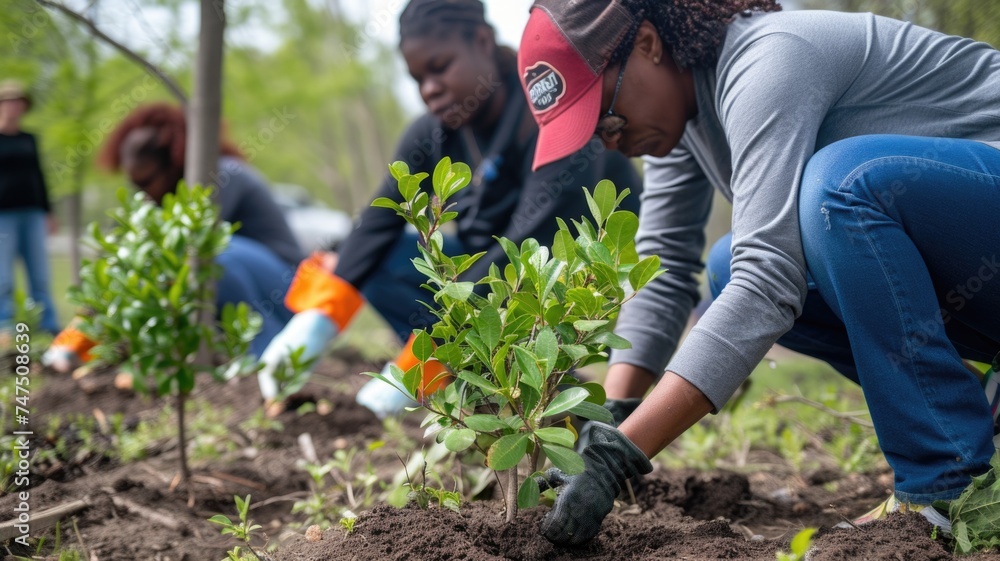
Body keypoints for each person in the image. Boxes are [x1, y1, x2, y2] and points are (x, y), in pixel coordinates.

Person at [516, 0, 1000, 545]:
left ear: (649, 43)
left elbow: (768, 278)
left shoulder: (770, 60)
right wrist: (616, 414)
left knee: (838, 189)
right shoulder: (686, 114)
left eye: (607, 116)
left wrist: (618, 458)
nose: (609, 140)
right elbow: (668, 261)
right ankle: (968, 409)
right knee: (726, 265)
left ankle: (948, 482)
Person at [258, 0, 642, 416]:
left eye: (439, 68)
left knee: (519, 283)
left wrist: (420, 361)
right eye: (418, 79)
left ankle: (541, 385)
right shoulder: (434, 134)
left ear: (482, 40)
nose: (429, 90)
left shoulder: (548, 112)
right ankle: (469, 374)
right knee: (380, 255)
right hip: (485, 290)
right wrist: (317, 318)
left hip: (566, 290)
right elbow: (377, 223)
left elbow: (532, 245)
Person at [44, 103, 305, 369]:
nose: (142, 194)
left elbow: (185, 247)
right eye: (134, 185)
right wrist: (80, 333)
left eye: (146, 182)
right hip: (251, 282)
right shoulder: (162, 197)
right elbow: (122, 261)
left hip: (287, 291)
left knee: (207, 255)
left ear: (173, 162)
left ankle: (269, 356)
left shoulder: (222, 174)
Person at [0, 80, 61, 337]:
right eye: (9, 101)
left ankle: (48, 325)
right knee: (3, 276)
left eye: (19, 102)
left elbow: (39, 176)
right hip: (3, 215)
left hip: (32, 213)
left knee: (40, 273)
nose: (15, 107)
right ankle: (5, 326)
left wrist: (48, 211)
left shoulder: (29, 139)